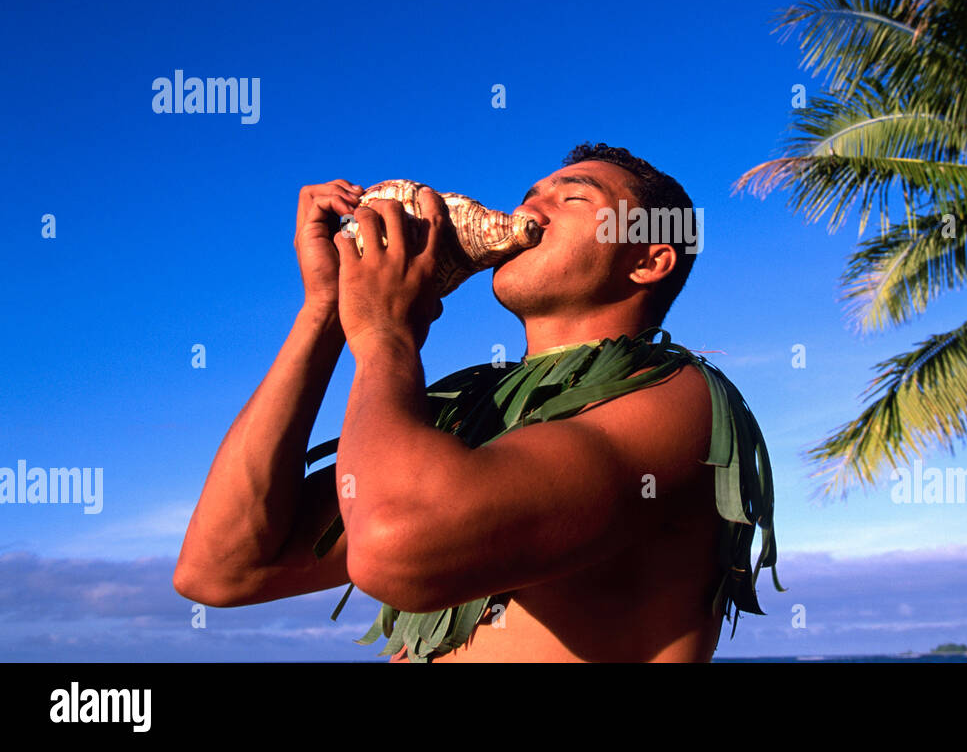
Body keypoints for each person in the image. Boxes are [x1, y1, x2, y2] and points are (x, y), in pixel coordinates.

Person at [174, 143, 780, 662]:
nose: (527, 207)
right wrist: (326, 313)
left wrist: (384, 333)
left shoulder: (675, 397)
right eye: (530, 192)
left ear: (648, 258)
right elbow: (221, 568)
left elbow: (397, 544)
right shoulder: (473, 418)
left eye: (572, 198)